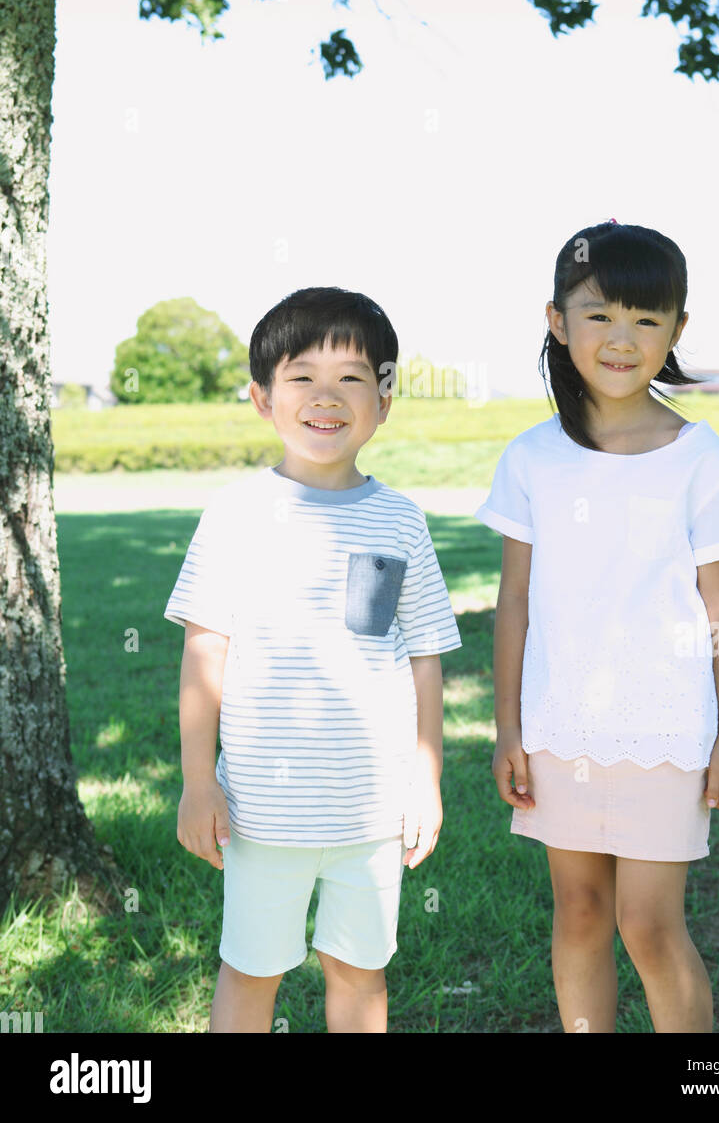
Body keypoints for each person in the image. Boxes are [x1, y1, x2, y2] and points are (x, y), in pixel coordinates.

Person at [474, 219, 719, 1034]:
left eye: (647, 319)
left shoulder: (705, 462)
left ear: (678, 330)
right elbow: (516, 602)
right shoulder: (532, 457)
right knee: (577, 912)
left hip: (667, 729)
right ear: (556, 320)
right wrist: (509, 728)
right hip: (559, 728)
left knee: (648, 924)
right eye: (600, 313)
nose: (621, 338)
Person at [164, 287, 462, 1033]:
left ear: (384, 401)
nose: (326, 397)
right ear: (264, 398)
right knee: (252, 968)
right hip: (260, 810)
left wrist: (425, 780)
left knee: (359, 974)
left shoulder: (401, 519)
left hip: (372, 810)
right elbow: (205, 651)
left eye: (352, 378)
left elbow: (424, 654)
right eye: (301, 377)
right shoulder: (234, 515)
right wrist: (199, 782)